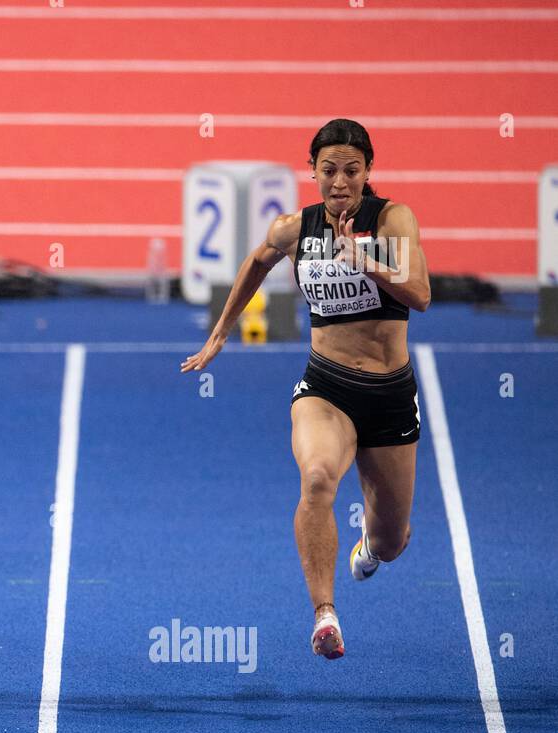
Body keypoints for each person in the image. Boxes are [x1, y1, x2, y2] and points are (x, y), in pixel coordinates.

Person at [181, 119, 431, 659]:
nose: (339, 182)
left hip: (389, 395)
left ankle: (368, 546)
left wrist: (365, 260)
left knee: (392, 540)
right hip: (327, 386)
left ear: (368, 171)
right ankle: (325, 615)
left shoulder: (393, 220)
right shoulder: (297, 228)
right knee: (317, 478)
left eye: (351, 170)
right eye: (328, 170)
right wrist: (220, 333)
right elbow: (255, 262)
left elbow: (420, 294)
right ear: (313, 171)